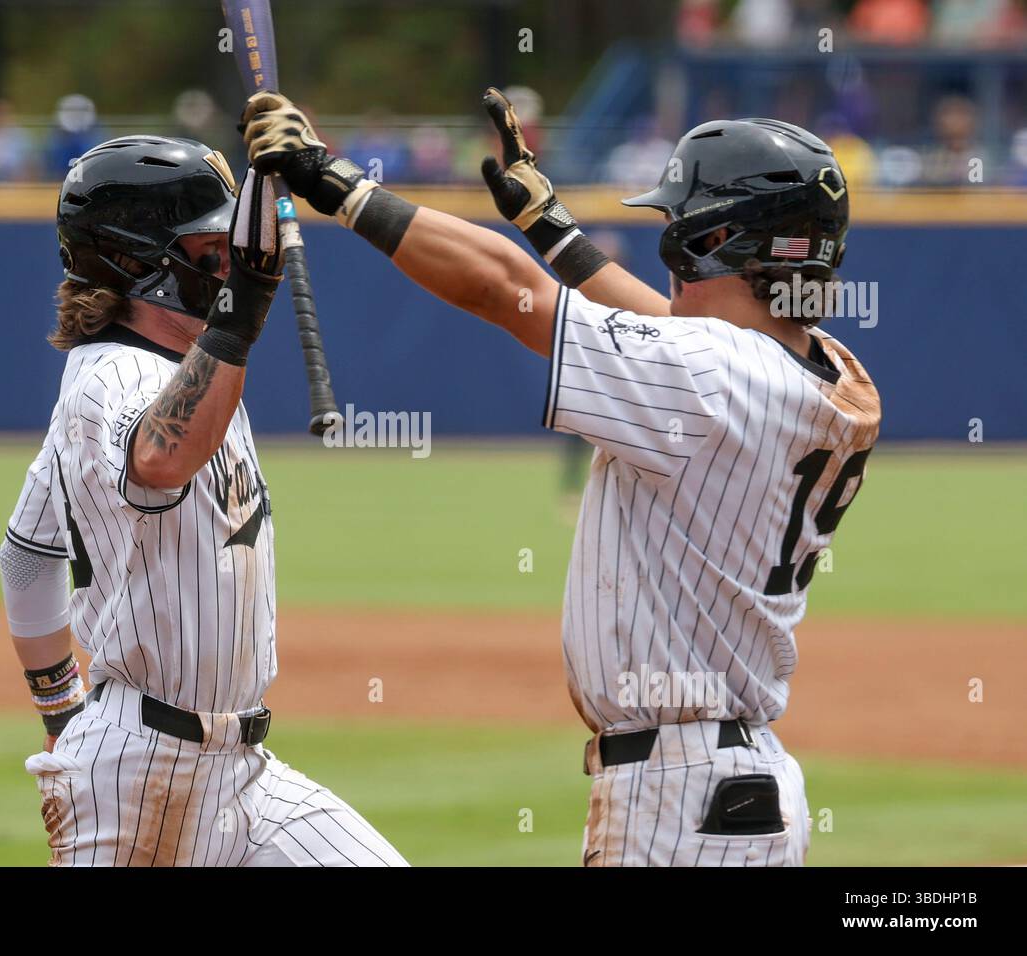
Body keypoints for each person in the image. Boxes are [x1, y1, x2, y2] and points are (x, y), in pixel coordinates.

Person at [242, 88, 879, 867]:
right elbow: (668, 336)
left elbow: (504, 291)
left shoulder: (709, 375)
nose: (669, 247)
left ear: (715, 239)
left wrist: (331, 181)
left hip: (680, 802)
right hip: (733, 788)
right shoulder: (834, 375)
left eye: (678, 227)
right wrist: (555, 229)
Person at [0, 134, 406, 867]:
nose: (228, 267)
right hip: (139, 779)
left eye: (229, 250)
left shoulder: (189, 368)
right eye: (208, 252)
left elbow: (26, 555)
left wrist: (294, 161)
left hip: (242, 775)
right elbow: (158, 456)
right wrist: (61, 714)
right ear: (136, 264)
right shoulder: (111, 376)